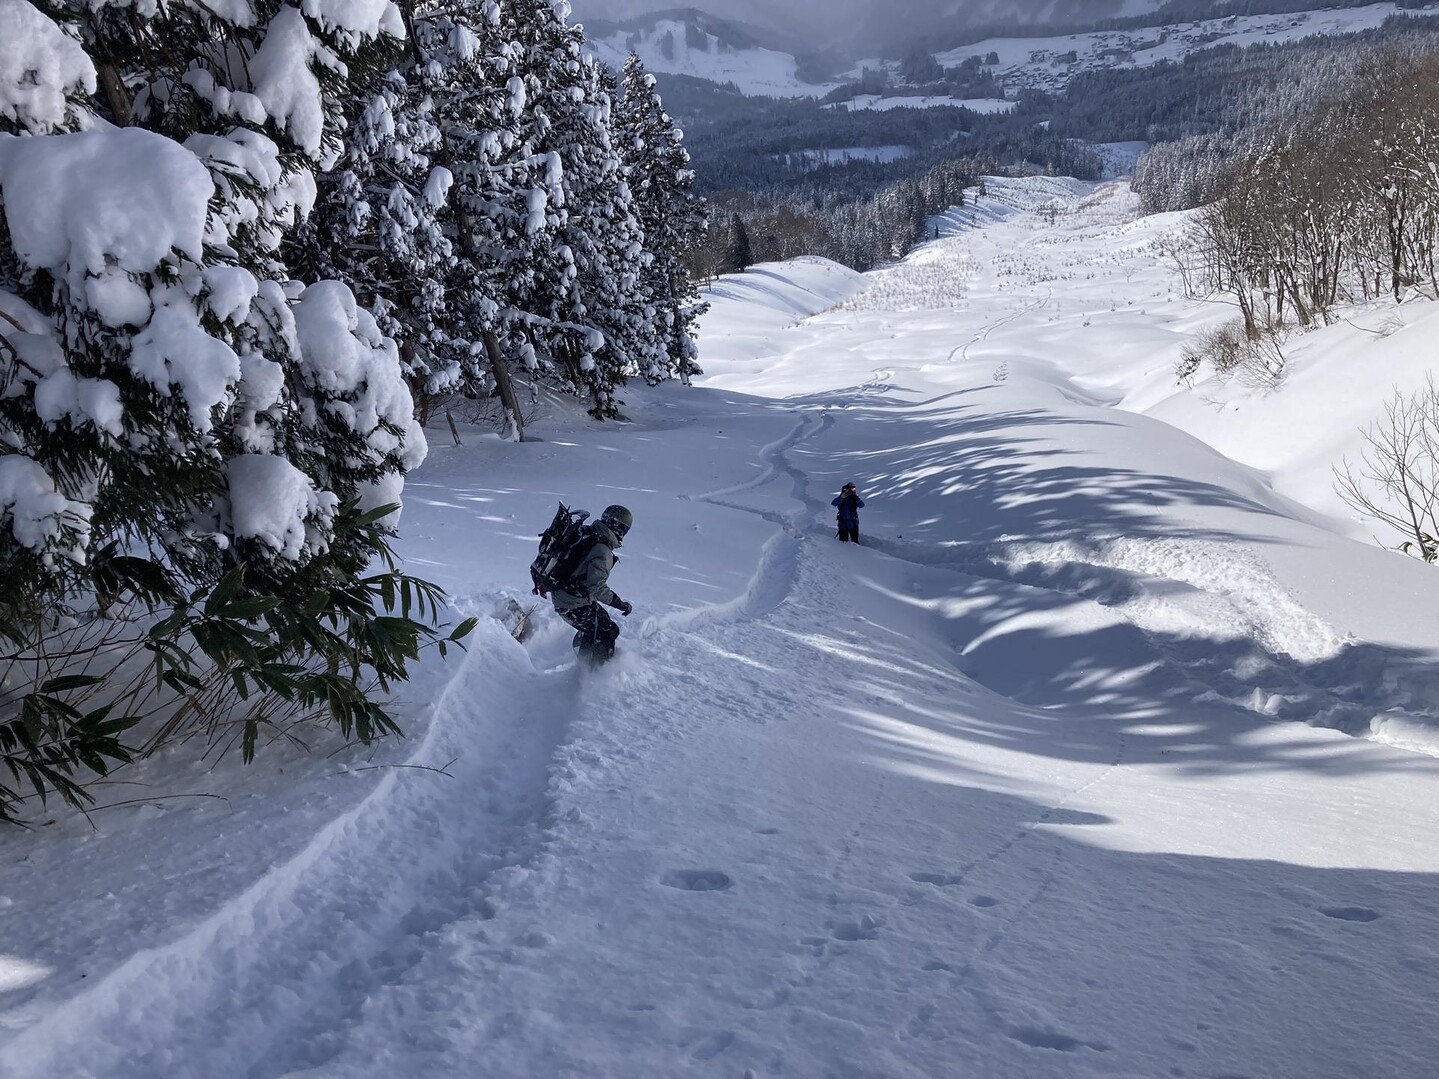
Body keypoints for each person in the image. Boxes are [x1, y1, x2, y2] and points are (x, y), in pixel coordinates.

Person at [550, 504, 634, 664]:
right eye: (624, 530)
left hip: (564, 594)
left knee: (600, 621)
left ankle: (585, 661)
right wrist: (620, 604)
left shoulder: (587, 533)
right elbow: (596, 587)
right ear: (619, 529)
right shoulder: (603, 550)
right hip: (572, 603)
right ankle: (597, 673)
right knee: (608, 630)